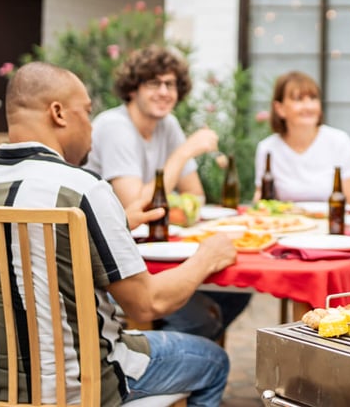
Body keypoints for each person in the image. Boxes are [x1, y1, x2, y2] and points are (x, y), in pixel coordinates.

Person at [0, 62, 234, 407]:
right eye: (86, 112)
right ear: (58, 113)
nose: (91, 128)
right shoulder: (82, 189)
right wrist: (208, 257)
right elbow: (148, 303)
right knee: (214, 360)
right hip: (81, 385)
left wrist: (116, 223)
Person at [86, 45, 250, 340]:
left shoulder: (168, 124)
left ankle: (190, 339)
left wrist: (176, 193)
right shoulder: (115, 126)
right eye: (154, 83)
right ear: (133, 89)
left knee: (236, 290)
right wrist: (184, 152)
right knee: (202, 315)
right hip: (115, 267)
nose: (164, 92)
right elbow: (136, 206)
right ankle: (173, 346)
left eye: (170, 84)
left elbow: (195, 196)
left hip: (154, 250)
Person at [253, 71, 350, 205]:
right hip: (287, 218)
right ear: (279, 108)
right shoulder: (267, 148)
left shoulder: (339, 141)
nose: (309, 106)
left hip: (330, 217)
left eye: (313, 98)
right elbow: (263, 200)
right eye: (298, 99)